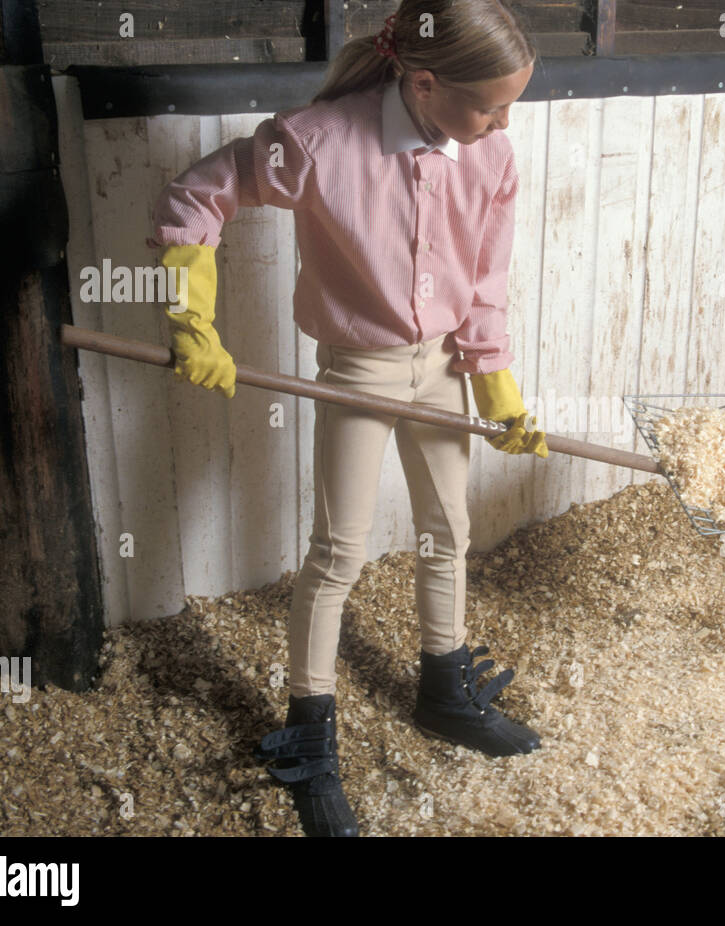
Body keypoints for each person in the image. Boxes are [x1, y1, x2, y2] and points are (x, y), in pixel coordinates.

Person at [146, 0, 546, 838]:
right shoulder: (318, 142)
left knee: (449, 529)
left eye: (511, 104)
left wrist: (496, 386)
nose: (504, 122)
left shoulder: (492, 155)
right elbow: (200, 192)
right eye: (490, 105)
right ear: (426, 83)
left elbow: (486, 282)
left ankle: (445, 690)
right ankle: (310, 732)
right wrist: (192, 317)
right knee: (339, 551)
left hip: (440, 367)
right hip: (357, 370)